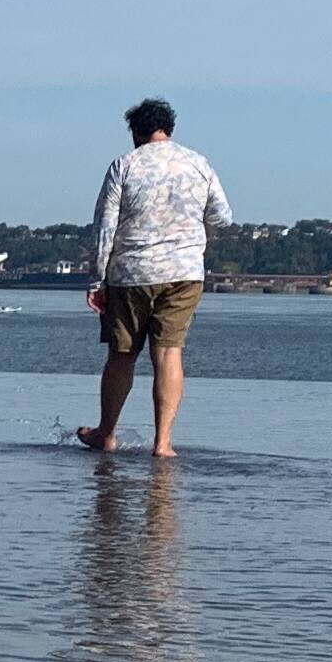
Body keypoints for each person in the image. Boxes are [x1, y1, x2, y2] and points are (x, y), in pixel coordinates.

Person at [79, 96, 232, 458]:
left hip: (131, 272)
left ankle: (107, 434)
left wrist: (96, 280)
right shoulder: (198, 163)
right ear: (168, 128)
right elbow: (223, 216)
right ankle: (163, 443)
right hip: (184, 272)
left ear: (137, 131)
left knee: (122, 354)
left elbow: (105, 228)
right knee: (169, 354)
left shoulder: (124, 165)